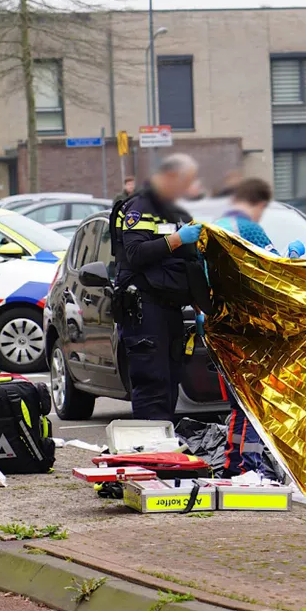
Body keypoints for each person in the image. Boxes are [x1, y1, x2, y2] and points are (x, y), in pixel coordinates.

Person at [210, 178, 305, 477]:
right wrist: (291, 257)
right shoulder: (246, 227)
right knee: (248, 405)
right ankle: (244, 469)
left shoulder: (216, 226)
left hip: (222, 327)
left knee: (241, 405)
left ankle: (237, 465)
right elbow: (271, 272)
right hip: (245, 330)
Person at [110, 154, 203, 421]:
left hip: (169, 307)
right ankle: (152, 452)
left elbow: (187, 262)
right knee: (153, 383)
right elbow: (136, 252)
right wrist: (176, 239)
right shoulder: (141, 207)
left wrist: (199, 308)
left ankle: (166, 449)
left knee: (171, 379)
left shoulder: (173, 210)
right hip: (144, 306)